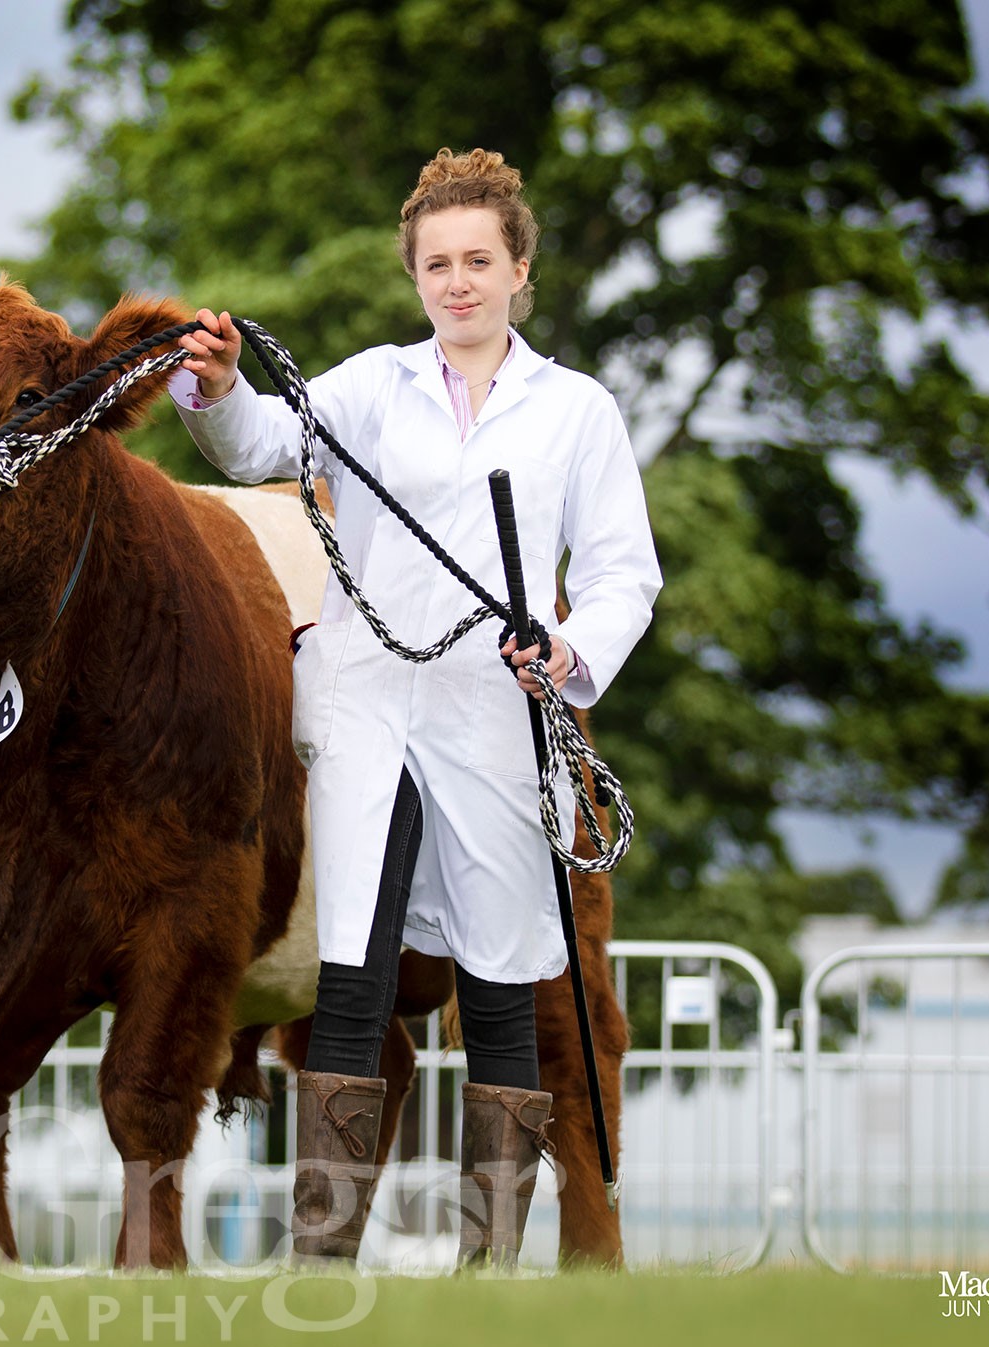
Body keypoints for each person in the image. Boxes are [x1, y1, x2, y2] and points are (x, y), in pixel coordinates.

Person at [172, 147, 661, 1269]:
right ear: (417, 275)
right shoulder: (366, 387)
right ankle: (322, 1266)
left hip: (498, 709)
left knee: (499, 978)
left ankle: (487, 1273)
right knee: (353, 970)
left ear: (519, 267)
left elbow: (628, 569)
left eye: (479, 259)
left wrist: (570, 644)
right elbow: (258, 445)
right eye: (438, 263)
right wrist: (217, 380)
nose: (458, 282)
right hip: (368, 703)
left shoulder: (577, 410)